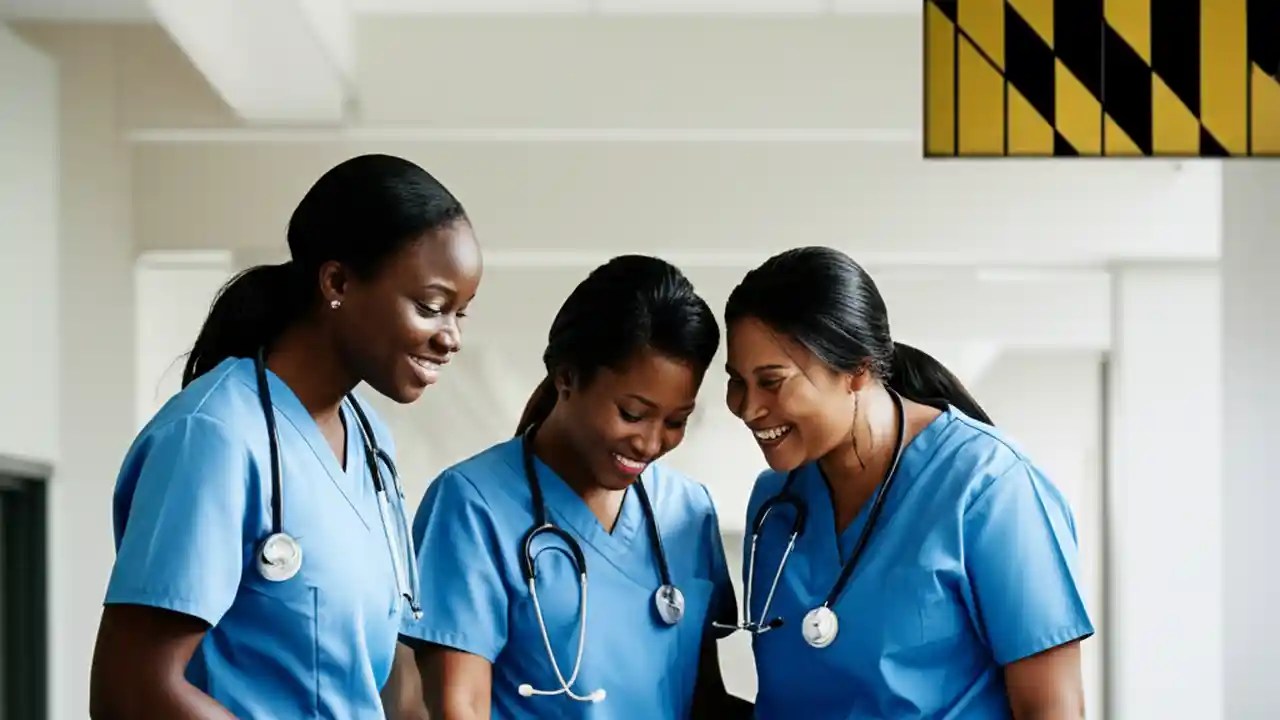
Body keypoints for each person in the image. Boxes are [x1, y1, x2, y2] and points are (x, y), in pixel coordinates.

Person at [89, 154, 483, 720]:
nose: (450, 338)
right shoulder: (214, 437)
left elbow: (373, 675)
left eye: (460, 314)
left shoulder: (370, 440)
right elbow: (131, 690)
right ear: (337, 282)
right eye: (431, 307)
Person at [720, 246, 1094, 719]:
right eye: (737, 381)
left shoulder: (992, 488)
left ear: (856, 370)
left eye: (772, 382)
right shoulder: (775, 501)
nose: (747, 407)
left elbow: (1052, 709)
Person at [400, 255, 746, 719]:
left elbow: (706, 699)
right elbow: (458, 708)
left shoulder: (686, 509)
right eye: (632, 414)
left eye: (675, 421)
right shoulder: (472, 504)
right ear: (567, 377)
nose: (650, 443)